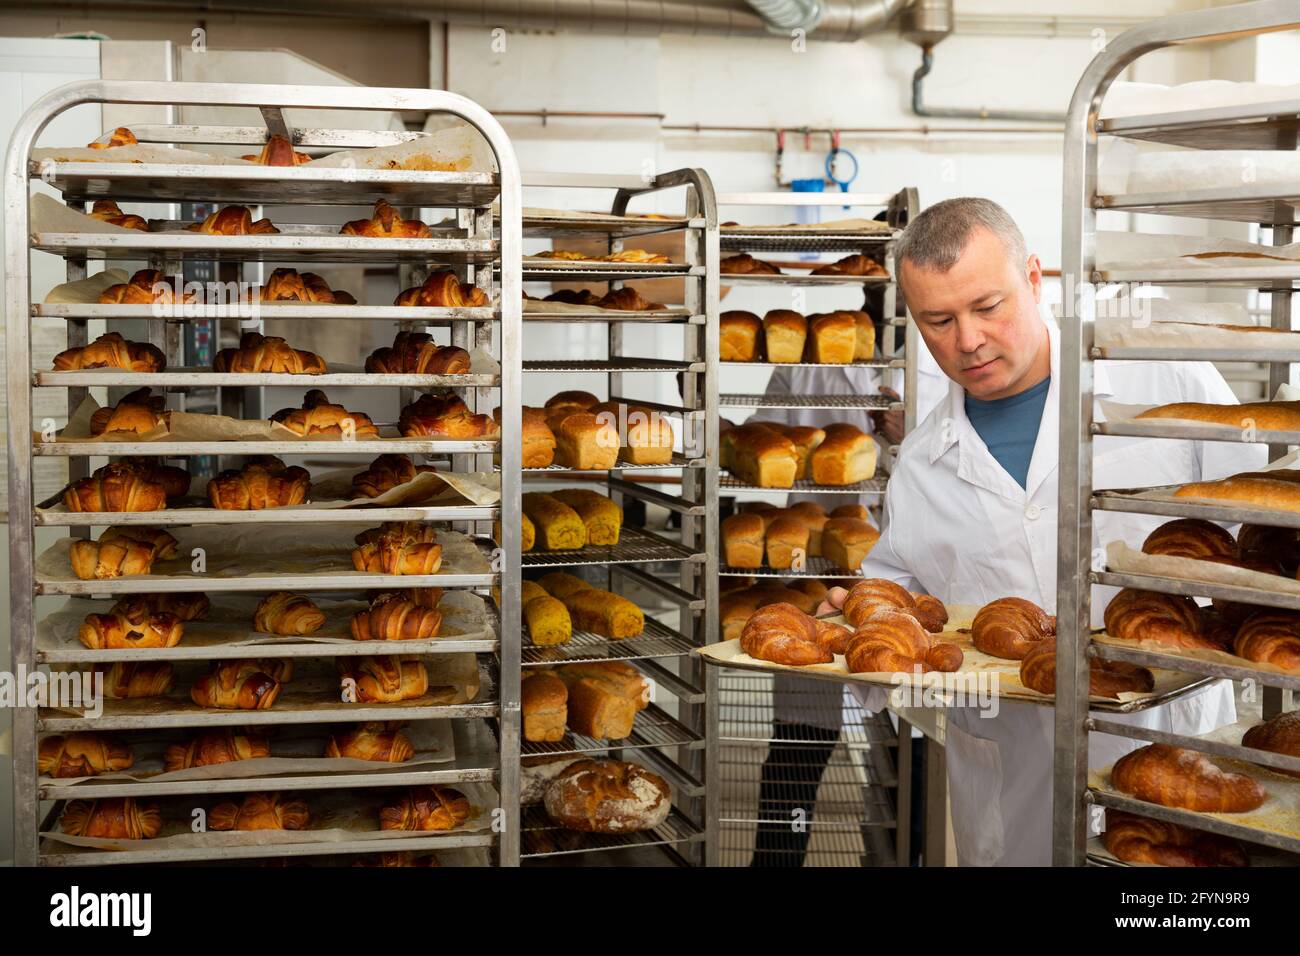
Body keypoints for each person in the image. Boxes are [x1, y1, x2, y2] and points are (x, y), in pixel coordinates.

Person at [820, 197, 1254, 867]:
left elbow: (1267, 538)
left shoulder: (1160, 379)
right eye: (939, 320)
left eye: (987, 306)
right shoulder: (924, 462)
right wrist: (855, 614)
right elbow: (895, 595)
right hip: (1011, 782)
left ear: (1033, 279)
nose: (967, 341)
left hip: (1171, 760)